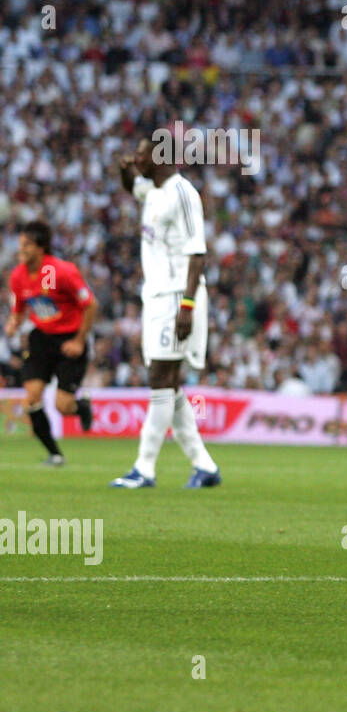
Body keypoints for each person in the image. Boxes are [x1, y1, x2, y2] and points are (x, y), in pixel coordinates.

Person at [108, 137, 222, 489]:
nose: (136, 157)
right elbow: (134, 188)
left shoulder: (182, 193)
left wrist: (186, 307)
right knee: (167, 382)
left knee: (160, 376)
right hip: (156, 297)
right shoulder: (154, 191)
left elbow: (197, 252)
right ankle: (205, 466)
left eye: (141, 153)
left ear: (160, 157)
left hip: (176, 296)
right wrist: (125, 172)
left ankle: (144, 468)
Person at [5, 220, 97, 465]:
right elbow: (19, 309)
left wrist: (79, 340)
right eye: (20, 243)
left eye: (26, 245)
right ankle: (55, 454)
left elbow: (90, 304)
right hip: (42, 338)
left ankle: (81, 406)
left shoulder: (61, 271)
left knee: (63, 406)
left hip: (69, 339)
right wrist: (14, 322)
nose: (21, 249)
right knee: (32, 397)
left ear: (41, 247)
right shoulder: (18, 275)